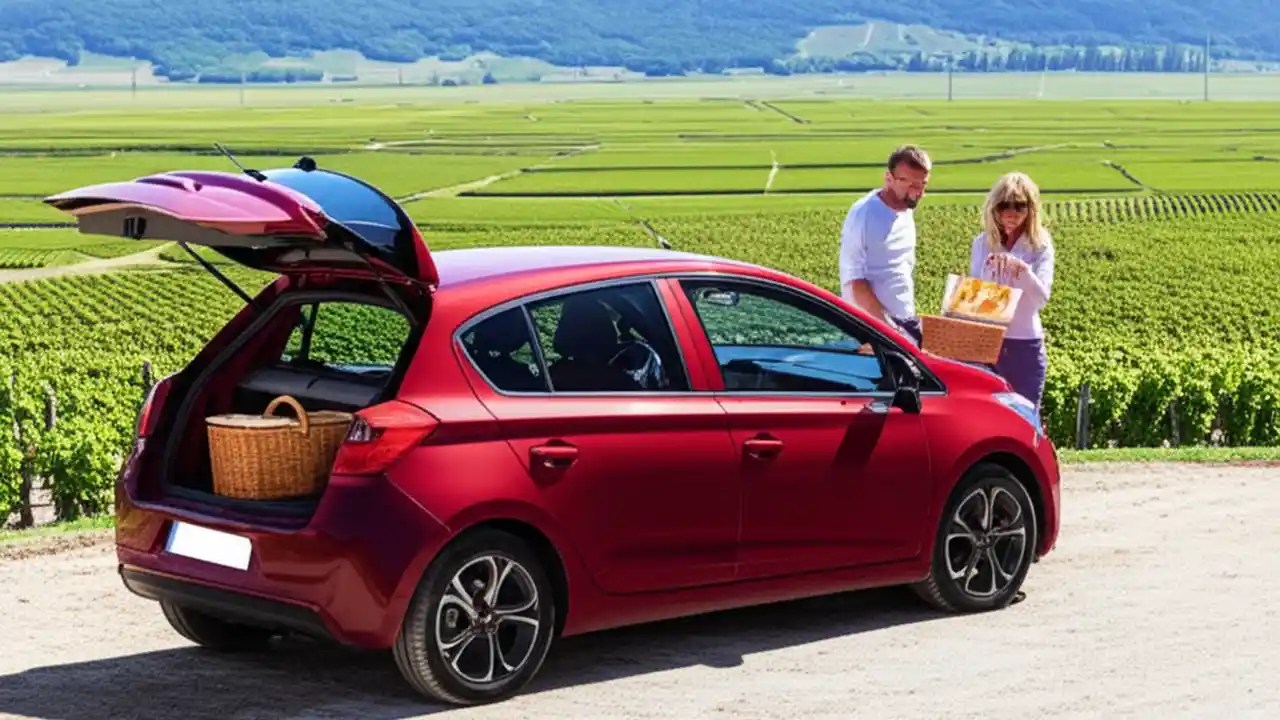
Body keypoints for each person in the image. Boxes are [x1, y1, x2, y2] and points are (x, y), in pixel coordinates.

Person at [969, 171, 1055, 413]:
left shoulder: (1040, 244)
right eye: (1003, 206)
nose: (1010, 213)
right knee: (988, 416)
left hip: (1025, 345)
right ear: (993, 208)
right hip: (989, 344)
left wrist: (1024, 272)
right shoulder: (982, 243)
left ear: (1031, 210)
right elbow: (974, 298)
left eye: (1019, 206)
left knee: (1027, 417)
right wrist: (989, 273)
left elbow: (1041, 298)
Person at [839, 145, 931, 346]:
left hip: (901, 324)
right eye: (911, 185)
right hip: (869, 330)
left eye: (922, 185)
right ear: (889, 178)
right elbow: (855, 283)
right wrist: (888, 328)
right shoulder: (864, 215)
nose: (917, 193)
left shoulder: (905, 211)